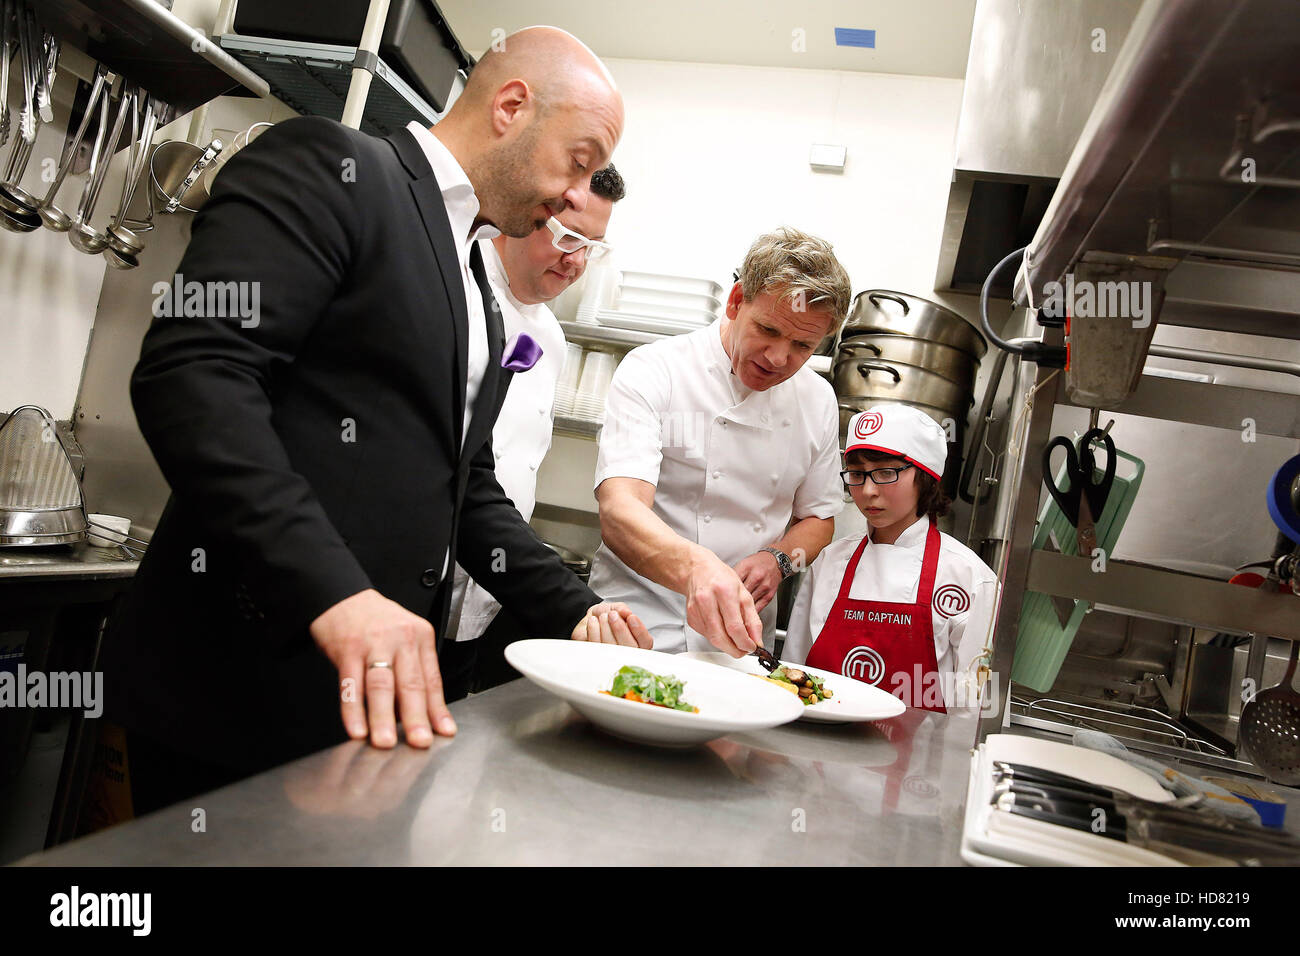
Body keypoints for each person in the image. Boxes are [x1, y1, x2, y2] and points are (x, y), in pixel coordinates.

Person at [102, 27, 649, 814]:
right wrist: (337, 596)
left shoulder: (478, 289)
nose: (574, 194)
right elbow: (196, 375)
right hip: (236, 686)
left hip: (365, 712)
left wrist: (581, 611)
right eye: (579, 159)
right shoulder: (333, 167)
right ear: (512, 106)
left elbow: (467, 490)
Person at [589, 227, 851, 656]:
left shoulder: (817, 399)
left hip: (739, 638)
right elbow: (620, 511)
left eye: (803, 345)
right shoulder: (657, 370)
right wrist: (700, 570)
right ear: (735, 302)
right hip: (638, 623)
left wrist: (779, 560)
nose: (778, 358)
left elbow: (819, 520)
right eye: (767, 329)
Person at [446, 164, 627, 690]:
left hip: (488, 594)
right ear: (529, 213)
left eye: (593, 246)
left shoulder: (550, 334)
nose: (577, 262)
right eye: (569, 237)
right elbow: (460, 474)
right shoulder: (457, 294)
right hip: (413, 583)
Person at [782, 404, 1000, 712]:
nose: (868, 490)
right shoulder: (830, 561)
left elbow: (975, 711)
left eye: (886, 472)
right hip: (817, 749)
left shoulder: (970, 578)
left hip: (919, 757)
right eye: (857, 474)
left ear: (925, 477)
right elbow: (794, 677)